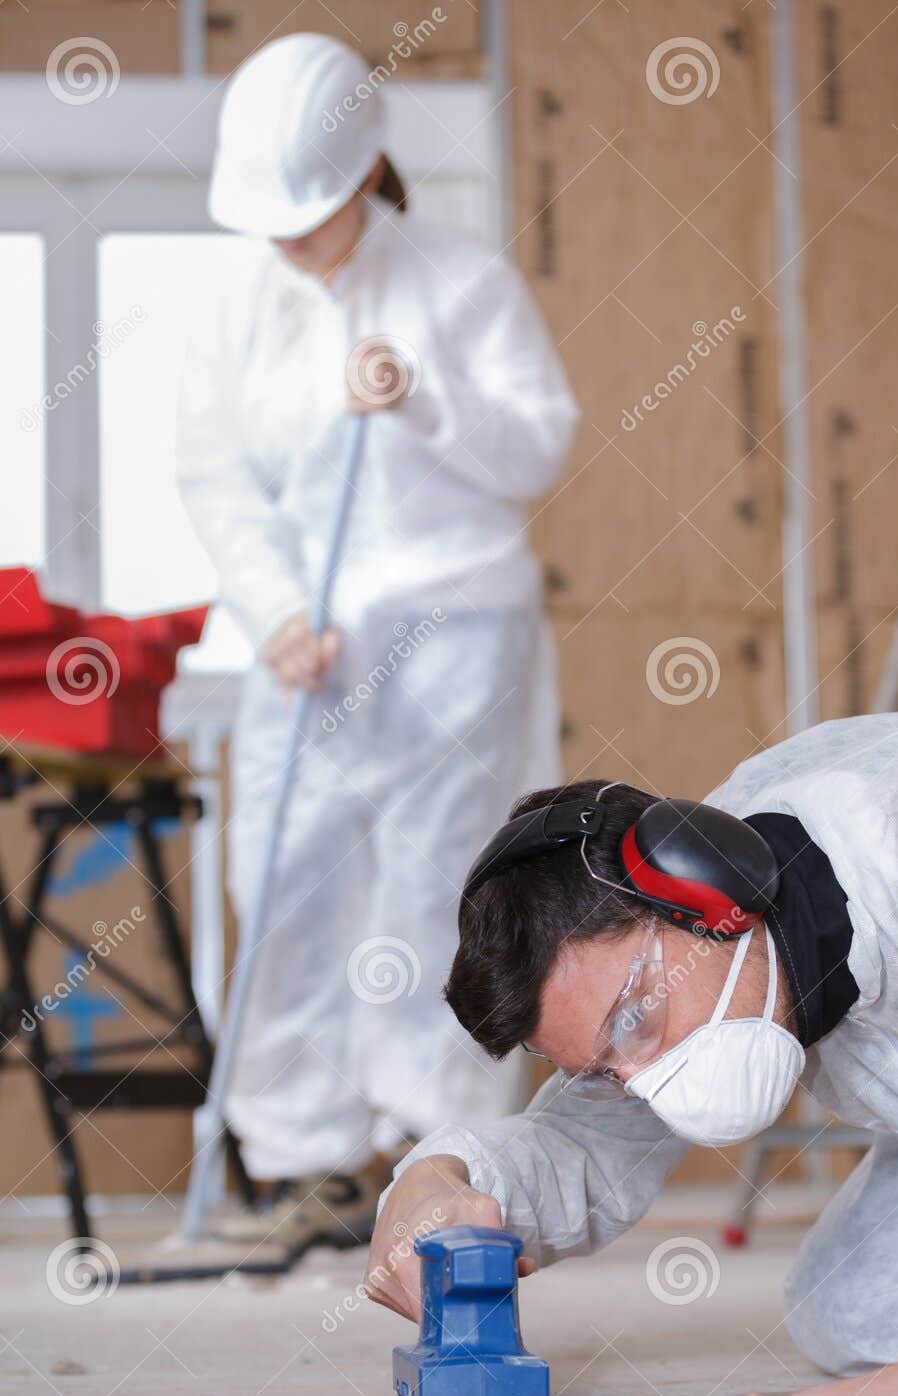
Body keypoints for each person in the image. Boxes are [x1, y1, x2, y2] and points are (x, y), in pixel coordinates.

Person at [368, 684, 898, 1396]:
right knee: (854, 1310)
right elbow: (583, 1140)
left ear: (708, 892)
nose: (645, 1084)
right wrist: (441, 1180)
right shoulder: (699, 914)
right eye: (602, 1067)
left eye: (634, 1023)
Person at [177, 34, 578, 1250]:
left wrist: (423, 397)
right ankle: (307, 1162)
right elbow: (215, 478)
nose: (288, 237)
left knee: (434, 884)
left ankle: (431, 1153)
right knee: (287, 879)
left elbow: (538, 450)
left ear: (364, 176)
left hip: (453, 625)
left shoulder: (460, 283)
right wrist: (274, 613)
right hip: (312, 642)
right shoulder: (241, 311)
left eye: (307, 213)